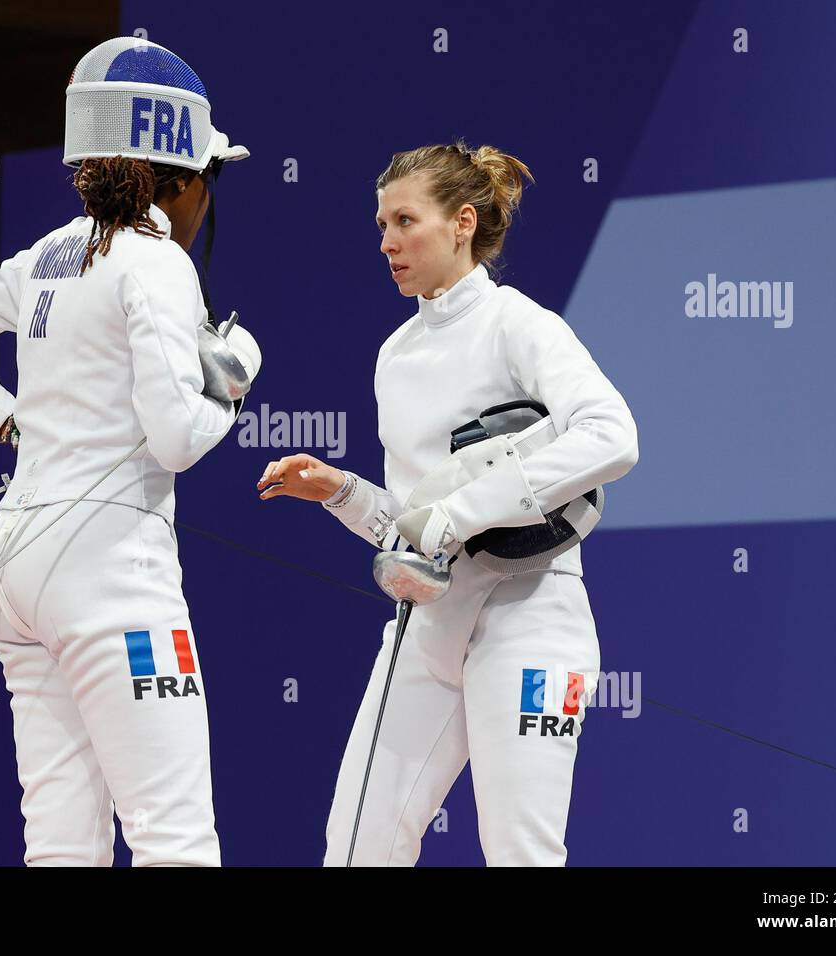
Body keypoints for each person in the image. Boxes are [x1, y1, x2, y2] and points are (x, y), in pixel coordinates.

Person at [0, 37, 257, 866]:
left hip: (16, 573)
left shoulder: (52, 253)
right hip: (108, 580)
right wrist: (232, 387)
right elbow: (176, 438)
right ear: (186, 176)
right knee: (175, 841)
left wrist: (6, 419)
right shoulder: (155, 261)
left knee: (60, 845)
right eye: (212, 176)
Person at [256, 140, 638, 866]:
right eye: (380, 225)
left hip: (532, 624)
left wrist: (461, 514)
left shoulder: (521, 325)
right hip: (426, 629)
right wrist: (339, 491)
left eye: (405, 221)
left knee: (521, 855)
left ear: (462, 222)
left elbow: (613, 437)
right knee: (355, 850)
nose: (387, 242)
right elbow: (414, 529)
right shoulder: (394, 355)